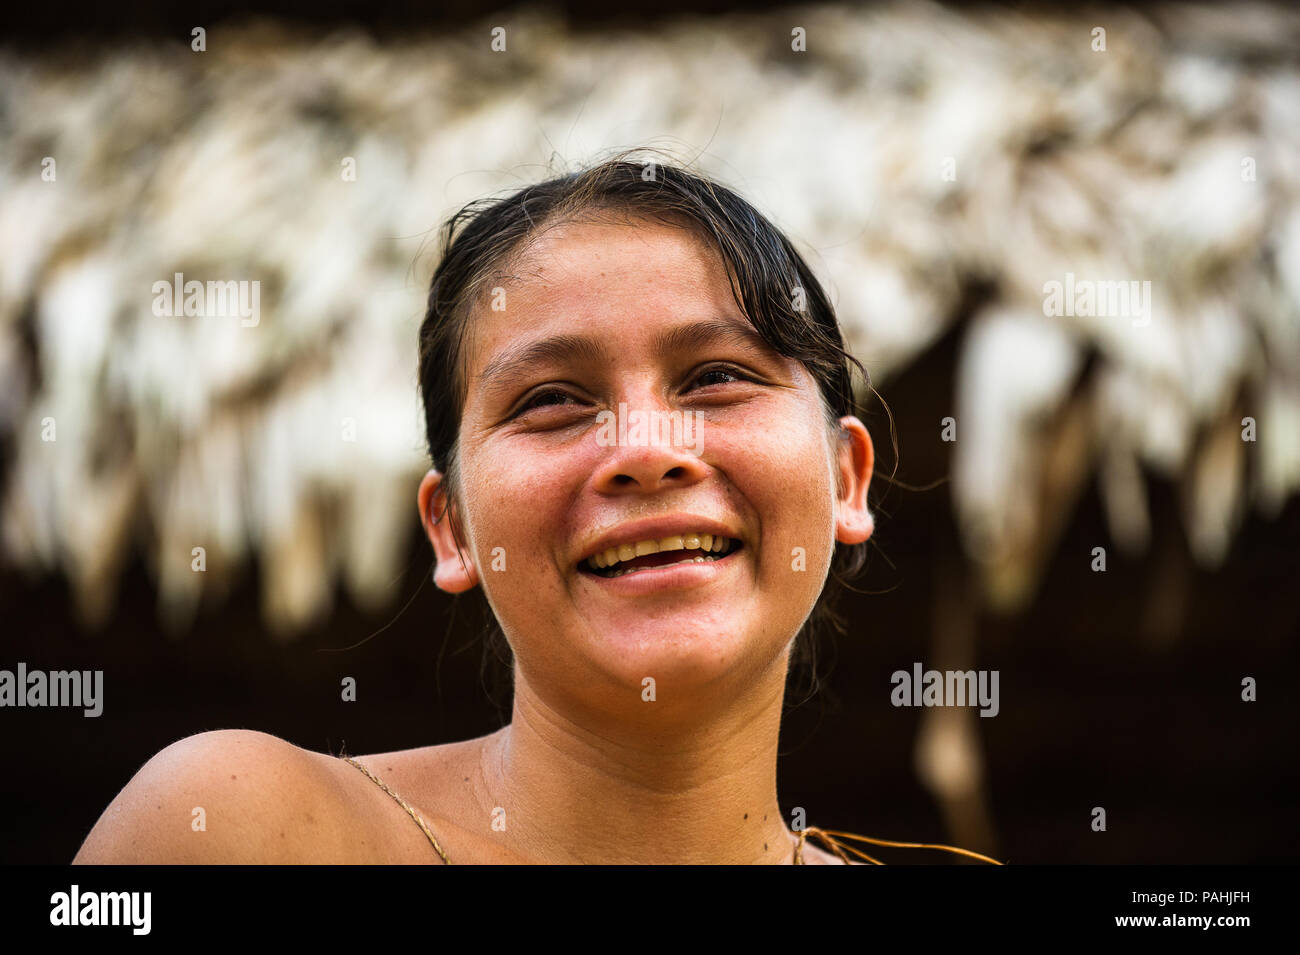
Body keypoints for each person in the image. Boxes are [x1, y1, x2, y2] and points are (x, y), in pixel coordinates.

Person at [74, 150, 995, 865]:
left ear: (846, 477)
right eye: (553, 400)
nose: (644, 451)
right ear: (453, 527)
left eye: (716, 377)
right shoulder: (244, 828)